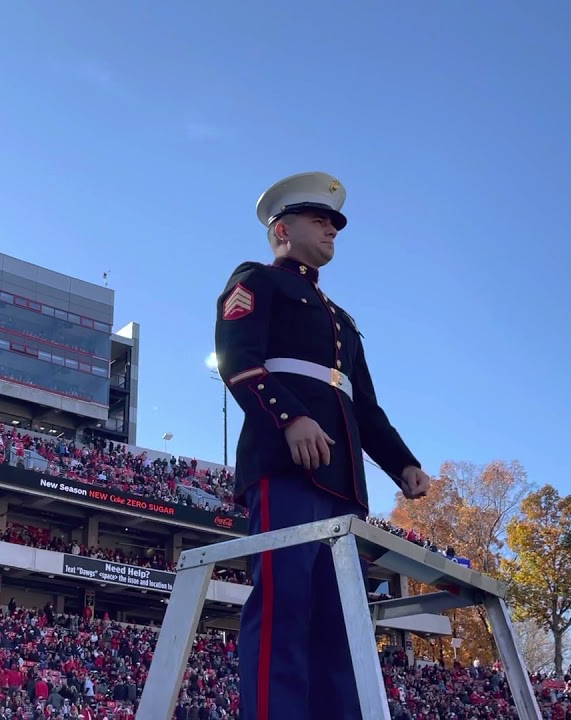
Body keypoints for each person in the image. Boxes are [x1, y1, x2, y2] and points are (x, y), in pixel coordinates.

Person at [213, 171, 432, 720]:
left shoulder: (343, 320)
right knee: (285, 607)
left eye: (336, 222)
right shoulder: (256, 280)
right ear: (282, 229)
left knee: (342, 623)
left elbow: (366, 408)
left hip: (341, 480)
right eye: (321, 219)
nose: (333, 228)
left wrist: (403, 463)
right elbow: (239, 360)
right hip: (286, 467)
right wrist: (291, 418)